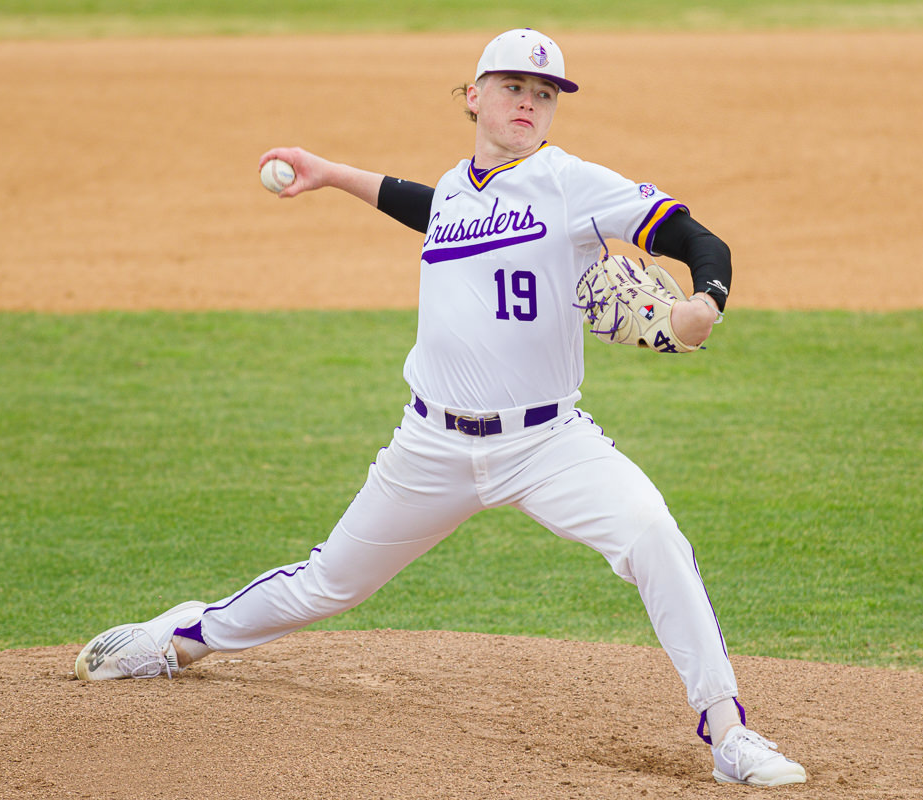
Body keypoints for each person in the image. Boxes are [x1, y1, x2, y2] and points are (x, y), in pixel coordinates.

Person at [74, 28, 806, 788]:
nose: (530, 101)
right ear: (474, 96)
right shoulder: (460, 188)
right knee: (330, 583)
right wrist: (330, 174)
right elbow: (429, 209)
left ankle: (729, 733)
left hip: (548, 444)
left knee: (654, 534)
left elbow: (694, 235)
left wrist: (706, 303)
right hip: (430, 448)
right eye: (515, 87)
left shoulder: (571, 184)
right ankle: (185, 635)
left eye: (545, 93)